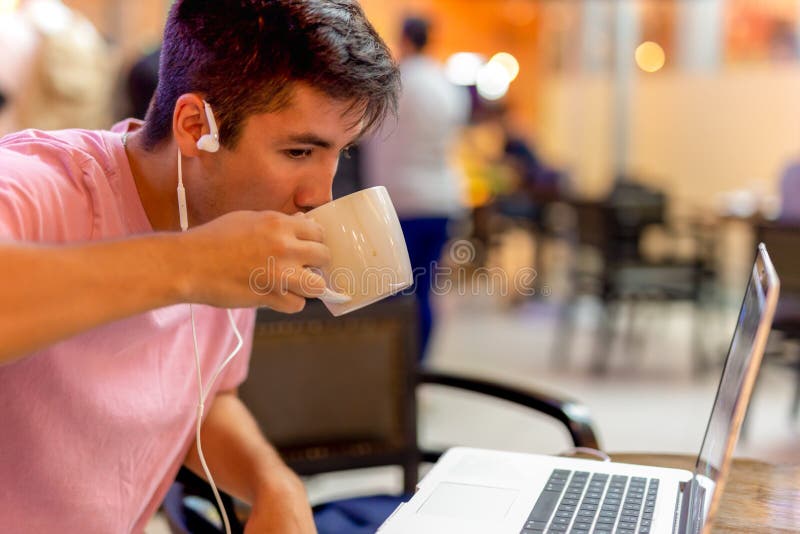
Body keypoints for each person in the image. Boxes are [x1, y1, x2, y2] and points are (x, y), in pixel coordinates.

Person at [0, 1, 399, 533]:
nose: (319, 196)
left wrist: (270, 483)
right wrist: (195, 263)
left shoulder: (234, 214)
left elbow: (202, 400)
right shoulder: (36, 183)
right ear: (195, 126)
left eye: (339, 154)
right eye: (300, 151)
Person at [362, 16, 469, 361]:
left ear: (403, 39)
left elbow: (360, 131)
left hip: (401, 201)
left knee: (396, 292)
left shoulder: (396, 82)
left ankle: (397, 371)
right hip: (442, 199)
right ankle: (416, 366)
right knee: (424, 290)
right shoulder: (447, 85)